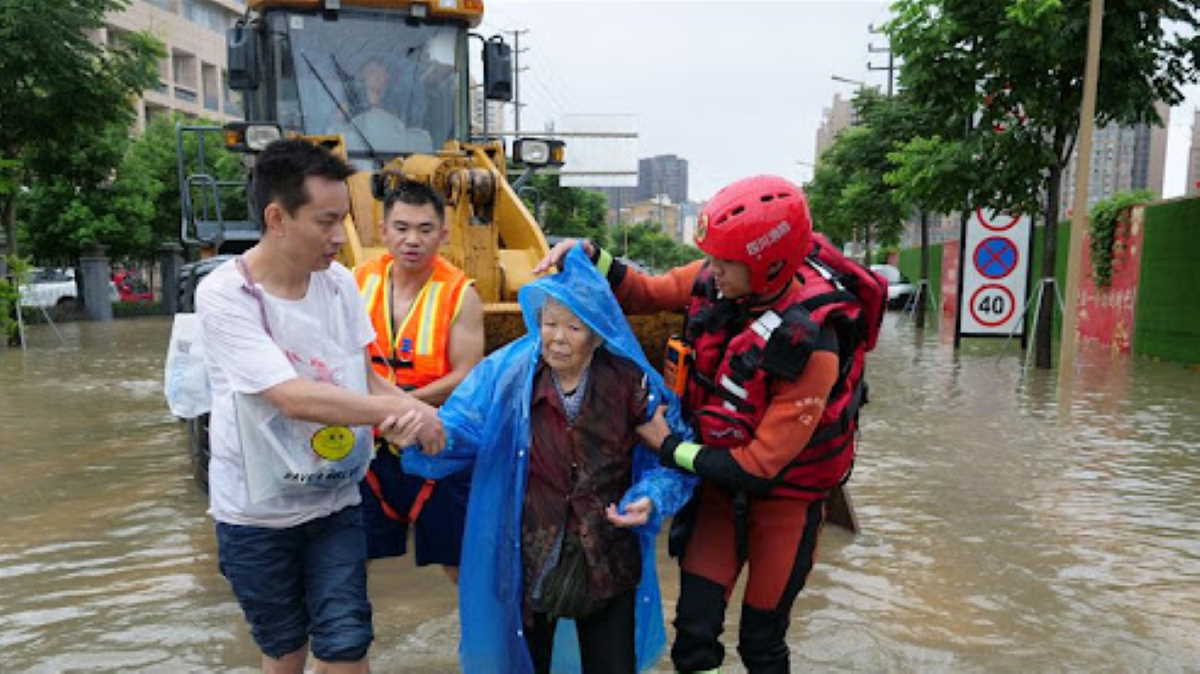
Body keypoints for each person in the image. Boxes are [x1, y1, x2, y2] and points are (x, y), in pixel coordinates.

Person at [534, 175, 884, 673]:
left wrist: (668, 445)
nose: (711, 270)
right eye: (712, 257)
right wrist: (593, 255)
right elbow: (646, 292)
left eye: (725, 262)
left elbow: (760, 465)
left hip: (784, 502)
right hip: (717, 492)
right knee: (694, 639)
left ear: (768, 264)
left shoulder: (813, 345)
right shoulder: (715, 280)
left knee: (762, 644)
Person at [196, 139, 445, 674]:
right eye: (326, 221)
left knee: (346, 641)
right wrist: (394, 416)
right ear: (277, 217)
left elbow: (365, 375)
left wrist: (418, 413)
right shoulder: (227, 294)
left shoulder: (338, 285)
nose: (340, 236)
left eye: (345, 220)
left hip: (334, 504)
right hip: (255, 515)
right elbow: (289, 396)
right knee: (284, 649)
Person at [403, 247, 697, 674]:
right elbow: (461, 430)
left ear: (597, 333)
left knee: (612, 664)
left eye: (573, 327)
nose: (558, 337)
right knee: (528, 660)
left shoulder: (632, 383)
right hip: (531, 549)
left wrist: (650, 497)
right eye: (549, 323)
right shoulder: (508, 375)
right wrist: (425, 435)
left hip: (607, 550)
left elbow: (672, 456)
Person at [353, 180, 483, 583]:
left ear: (443, 234)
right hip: (365, 445)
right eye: (402, 227)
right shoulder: (354, 282)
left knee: (460, 562)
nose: (413, 240)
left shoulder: (461, 293)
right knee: (348, 561)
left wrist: (407, 405)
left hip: (435, 443)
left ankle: (483, 643)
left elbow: (467, 374)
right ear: (383, 230)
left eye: (425, 229)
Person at [334, 59, 433, 155]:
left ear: (387, 77)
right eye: (372, 71)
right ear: (362, 76)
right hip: (357, 157)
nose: (377, 75)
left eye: (381, 72)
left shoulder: (394, 110)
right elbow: (335, 134)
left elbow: (401, 139)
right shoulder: (346, 108)